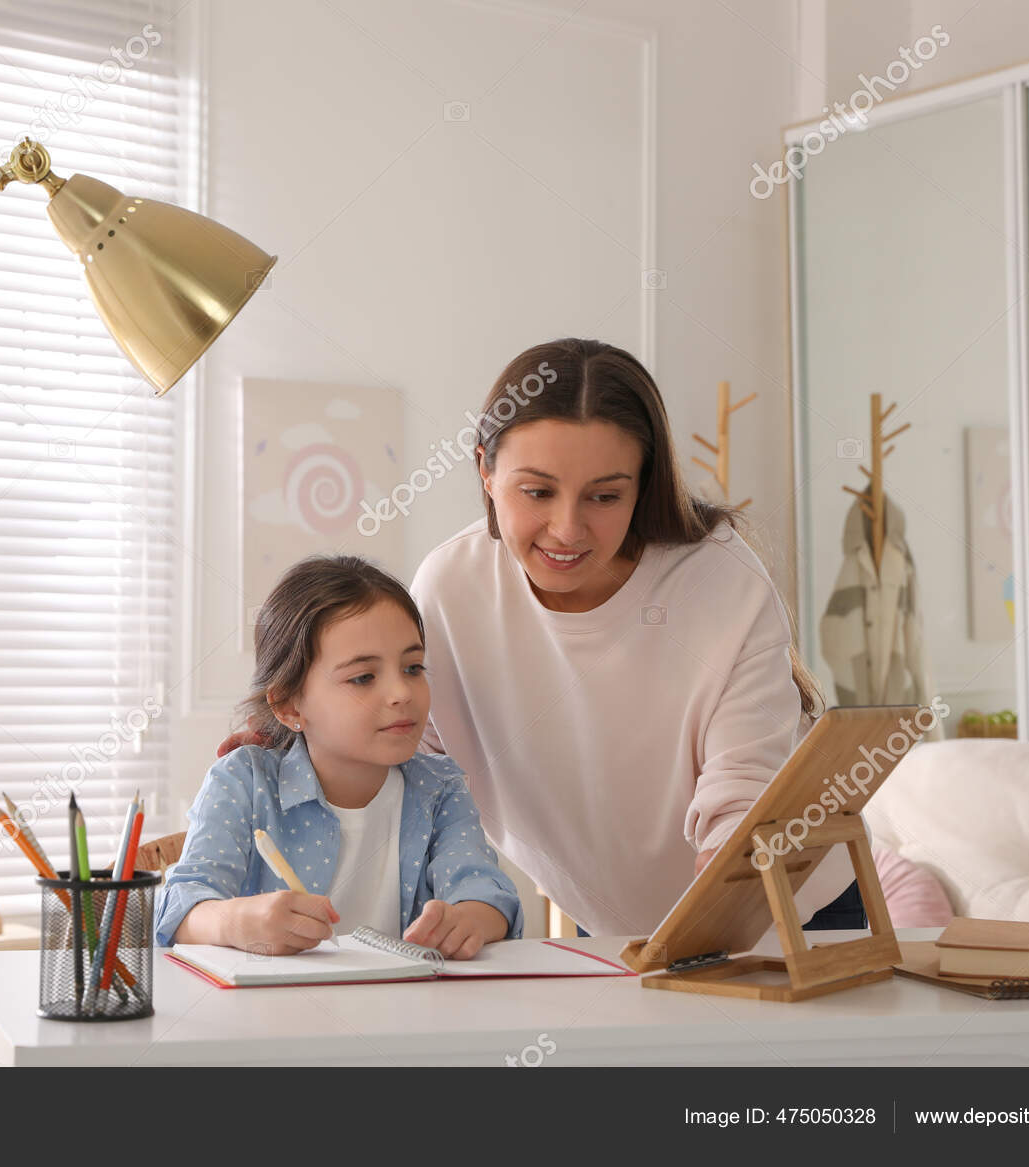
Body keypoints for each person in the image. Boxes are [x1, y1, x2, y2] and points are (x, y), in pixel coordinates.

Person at [221, 338, 858, 936]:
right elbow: (416, 754)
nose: (567, 529)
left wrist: (714, 924)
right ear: (486, 472)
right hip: (611, 923)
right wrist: (294, 744)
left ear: (643, 484)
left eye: (605, 496)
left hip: (784, 911)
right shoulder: (452, 587)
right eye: (537, 492)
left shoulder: (719, 578)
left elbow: (744, 791)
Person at [156, 554, 523, 958]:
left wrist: (470, 919)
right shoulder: (244, 781)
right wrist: (236, 921)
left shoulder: (440, 788)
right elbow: (180, 908)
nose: (401, 692)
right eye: (363, 677)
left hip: (409, 1012)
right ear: (290, 707)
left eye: (414, 668)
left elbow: (486, 892)